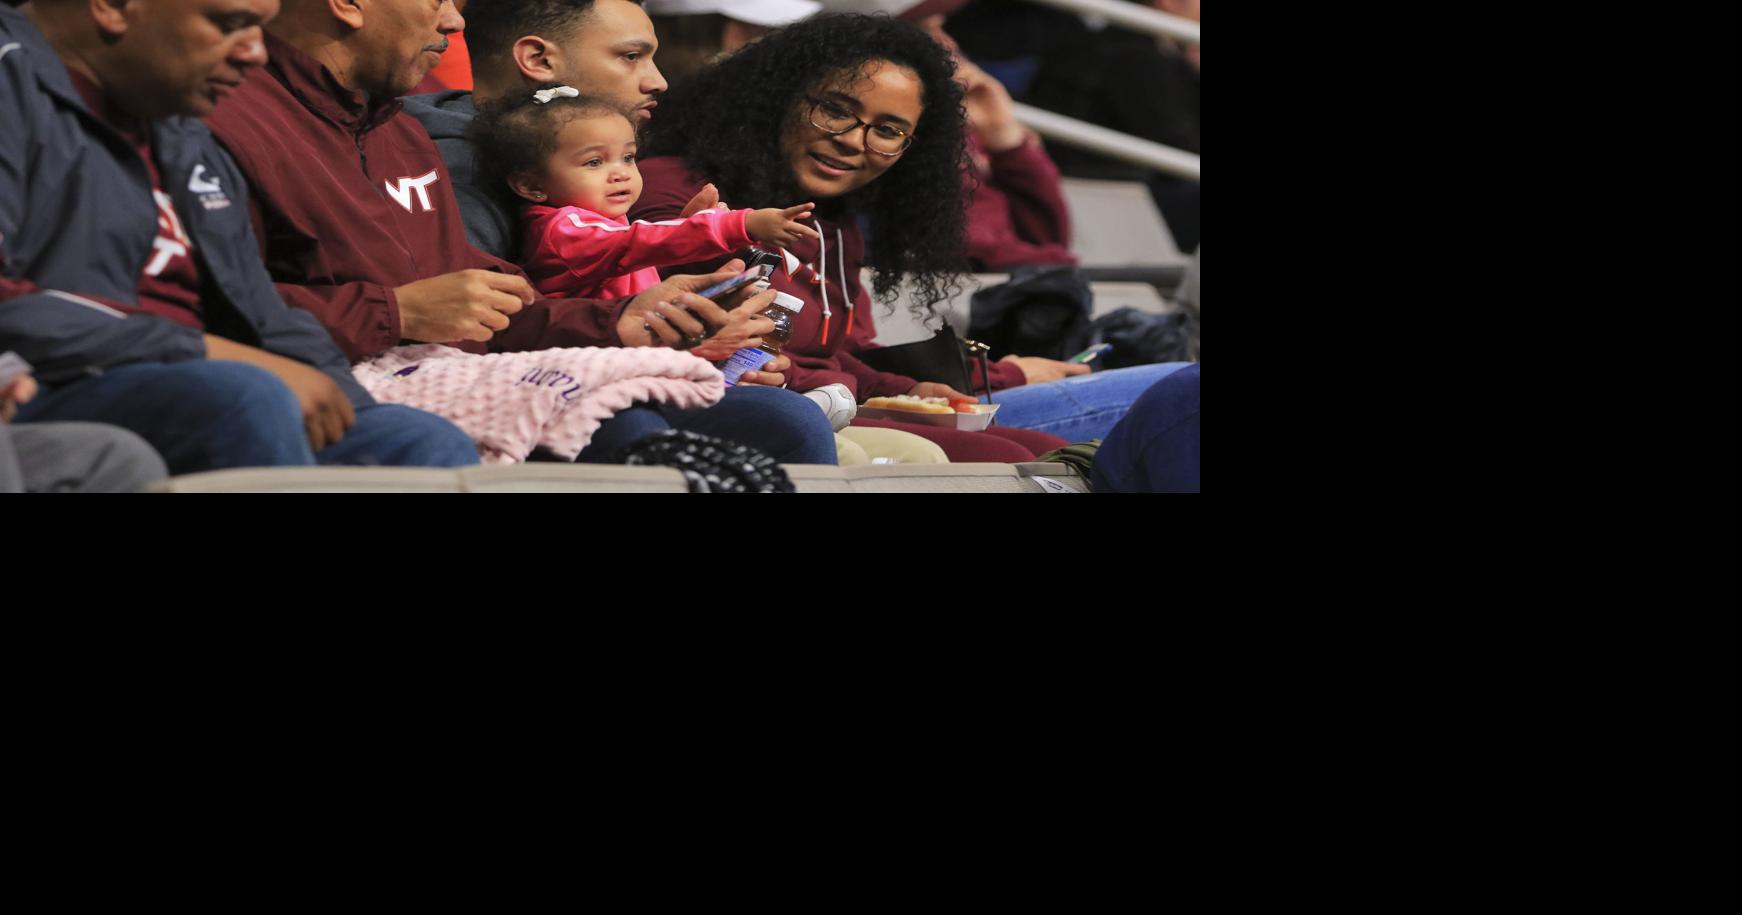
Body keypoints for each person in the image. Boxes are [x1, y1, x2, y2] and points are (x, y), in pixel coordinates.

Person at [203, 0, 836, 464]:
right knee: (617, 435)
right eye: (438, 0)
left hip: (453, 370)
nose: (453, 22)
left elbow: (484, 306)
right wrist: (393, 311)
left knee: (785, 421)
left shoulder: (398, 132)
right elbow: (205, 311)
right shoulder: (227, 121)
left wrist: (621, 322)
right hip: (342, 382)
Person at [1, 0, 478, 474]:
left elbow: (260, 310)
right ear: (114, 7)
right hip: (48, 379)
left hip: (195, 377)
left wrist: (343, 400)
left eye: (260, 28)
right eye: (230, 24)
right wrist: (207, 351)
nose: (255, 52)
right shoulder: (12, 83)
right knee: (247, 397)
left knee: (417, 441)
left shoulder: (175, 119)